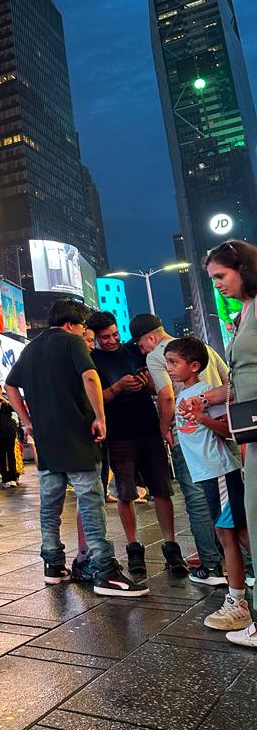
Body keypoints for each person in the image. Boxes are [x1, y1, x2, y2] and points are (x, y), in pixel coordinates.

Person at [5, 300, 148, 597]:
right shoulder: (71, 342)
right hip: (77, 436)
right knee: (90, 500)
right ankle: (104, 570)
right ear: (72, 324)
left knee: (51, 504)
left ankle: (53, 565)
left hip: (47, 439)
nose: (87, 335)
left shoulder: (30, 348)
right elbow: (90, 376)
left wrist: (28, 421)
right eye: (84, 328)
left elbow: (9, 385)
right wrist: (100, 417)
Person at [87, 310, 187, 579]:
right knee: (125, 492)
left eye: (115, 334)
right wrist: (118, 387)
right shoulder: (92, 360)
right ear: (94, 338)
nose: (112, 340)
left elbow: (159, 387)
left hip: (149, 429)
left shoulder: (136, 352)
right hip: (118, 434)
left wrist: (145, 385)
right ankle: (133, 548)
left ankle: (171, 546)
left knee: (162, 489)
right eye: (105, 337)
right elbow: (95, 399)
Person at [131, 313, 228, 586]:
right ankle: (235, 558)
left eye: (141, 344)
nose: (142, 351)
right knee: (224, 495)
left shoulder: (158, 354)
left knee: (196, 498)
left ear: (151, 337)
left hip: (187, 435)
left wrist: (164, 426)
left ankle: (211, 564)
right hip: (218, 426)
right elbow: (226, 379)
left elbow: (166, 394)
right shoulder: (199, 346)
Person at [164, 337, 251, 631]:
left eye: (175, 362)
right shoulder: (182, 395)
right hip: (208, 475)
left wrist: (202, 416)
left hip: (220, 472)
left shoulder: (204, 394)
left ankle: (238, 603)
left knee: (233, 536)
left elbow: (228, 430)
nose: (170, 368)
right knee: (234, 535)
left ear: (194, 366)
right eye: (169, 363)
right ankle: (238, 601)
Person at [200, 240, 257, 648]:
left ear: (243, 267)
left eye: (221, 275)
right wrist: (208, 399)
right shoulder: (245, 313)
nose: (217, 285)